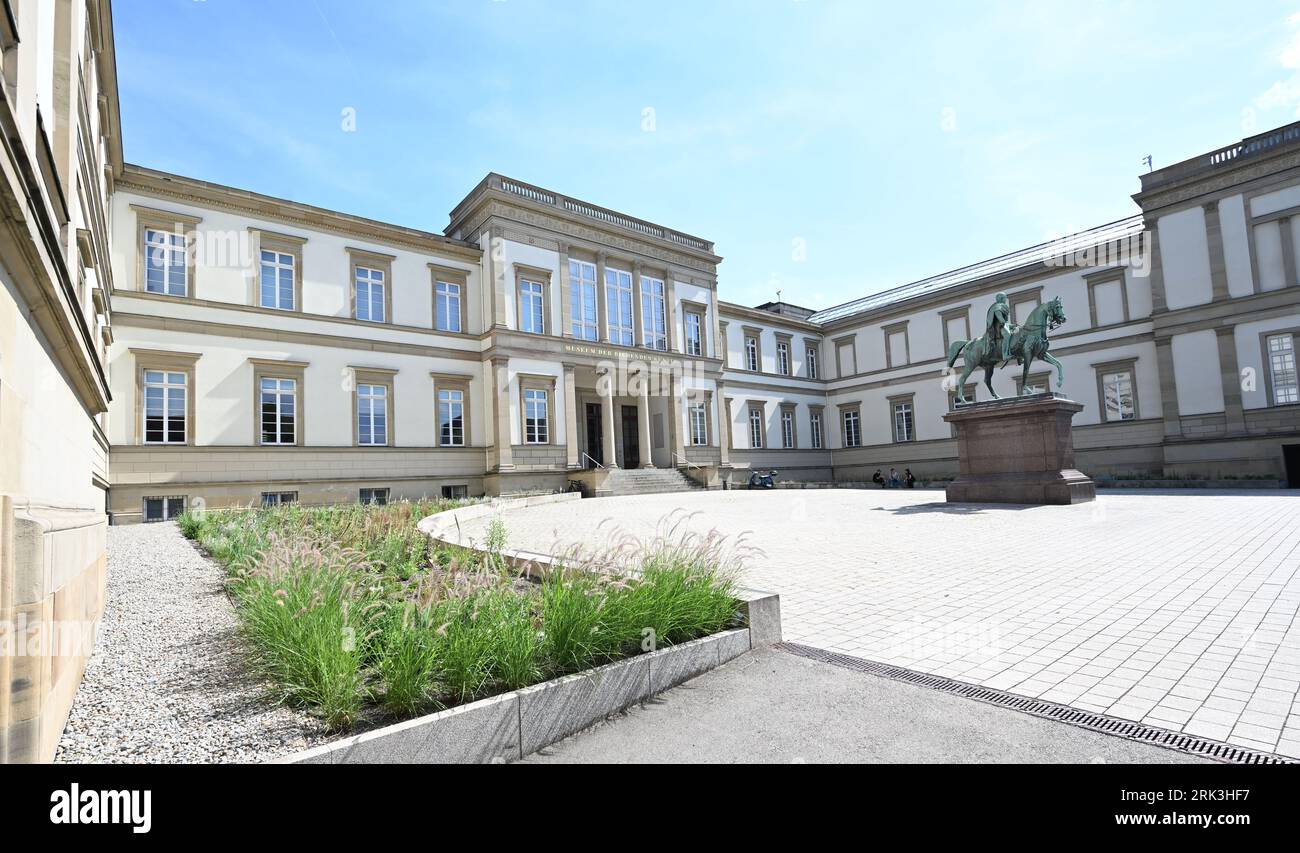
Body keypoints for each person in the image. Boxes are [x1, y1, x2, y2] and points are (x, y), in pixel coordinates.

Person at [986, 291, 1014, 365]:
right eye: (1005, 298)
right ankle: (1005, 354)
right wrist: (1007, 325)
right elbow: (1000, 318)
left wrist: (1011, 325)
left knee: (1016, 332)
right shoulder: (997, 307)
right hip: (998, 327)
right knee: (1007, 335)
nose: (1005, 300)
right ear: (1001, 298)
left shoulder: (1003, 307)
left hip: (1003, 325)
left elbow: (1005, 321)